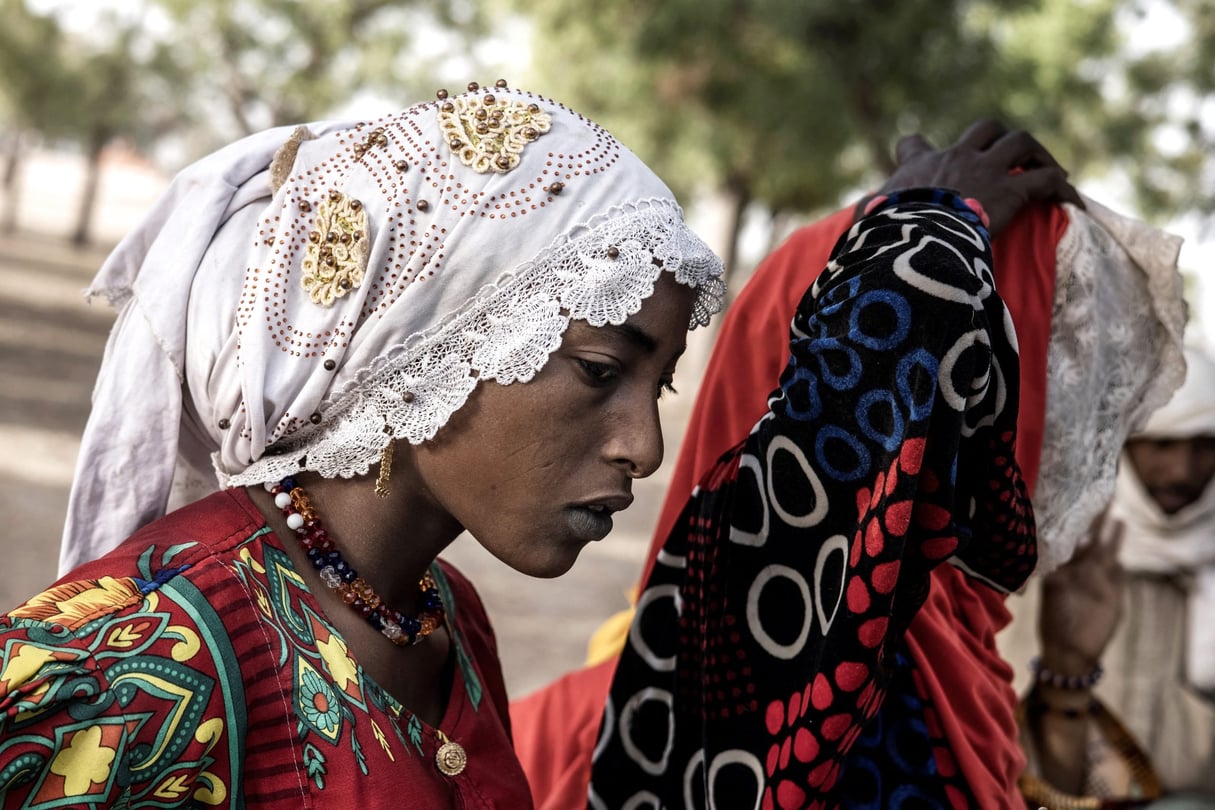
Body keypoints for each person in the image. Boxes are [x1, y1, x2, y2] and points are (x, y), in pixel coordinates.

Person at [0, 82, 727, 804]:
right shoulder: (134, 665)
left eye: (660, 385)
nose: (645, 449)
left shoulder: (448, 617)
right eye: (600, 370)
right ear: (429, 345)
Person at [511, 128, 1188, 807]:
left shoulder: (620, 699)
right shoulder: (859, 704)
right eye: (1043, 377)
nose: (1067, 447)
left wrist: (1067, 672)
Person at [1020, 344, 1215, 807]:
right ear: (1122, 444)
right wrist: (1067, 667)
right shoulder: (1062, 559)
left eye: (1205, 447)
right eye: (1162, 445)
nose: (1182, 471)